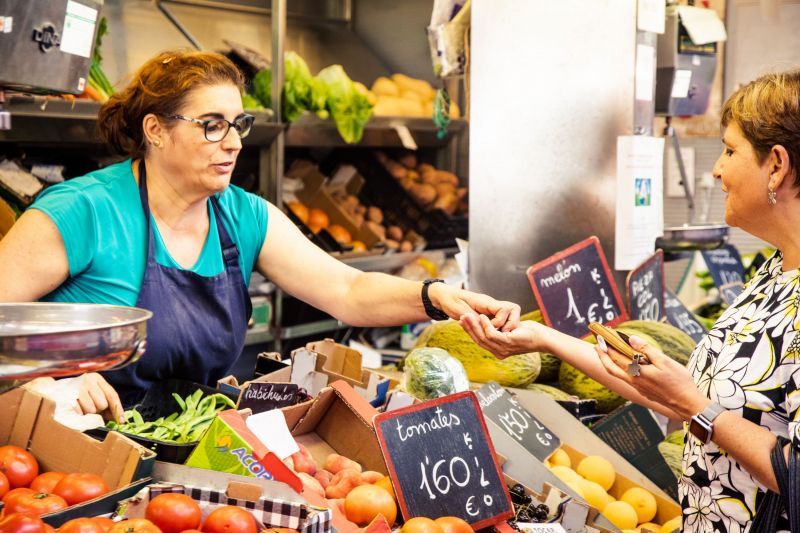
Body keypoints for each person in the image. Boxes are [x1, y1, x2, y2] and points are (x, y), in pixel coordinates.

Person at [0, 50, 520, 419]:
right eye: (211, 124)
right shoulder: (82, 212)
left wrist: (437, 297)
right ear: (155, 130)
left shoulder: (241, 215)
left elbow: (348, 291)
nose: (232, 143)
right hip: (68, 448)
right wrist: (44, 381)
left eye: (238, 124)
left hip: (181, 446)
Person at [462, 69, 800, 532]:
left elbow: (791, 470)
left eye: (729, 150)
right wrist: (544, 338)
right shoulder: (775, 271)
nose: (717, 168)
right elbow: (686, 398)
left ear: (777, 165)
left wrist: (694, 405)